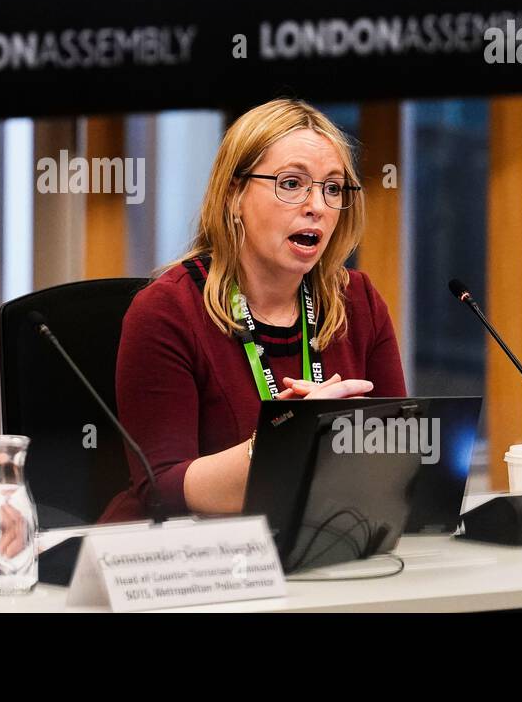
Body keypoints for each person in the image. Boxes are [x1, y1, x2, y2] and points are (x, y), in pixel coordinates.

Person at [100, 98, 406, 522]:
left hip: (327, 544)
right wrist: (280, 440)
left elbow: (401, 460)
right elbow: (162, 491)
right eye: (292, 183)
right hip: (201, 566)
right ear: (233, 196)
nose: (317, 205)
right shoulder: (167, 311)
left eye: (332, 188)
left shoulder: (359, 302)